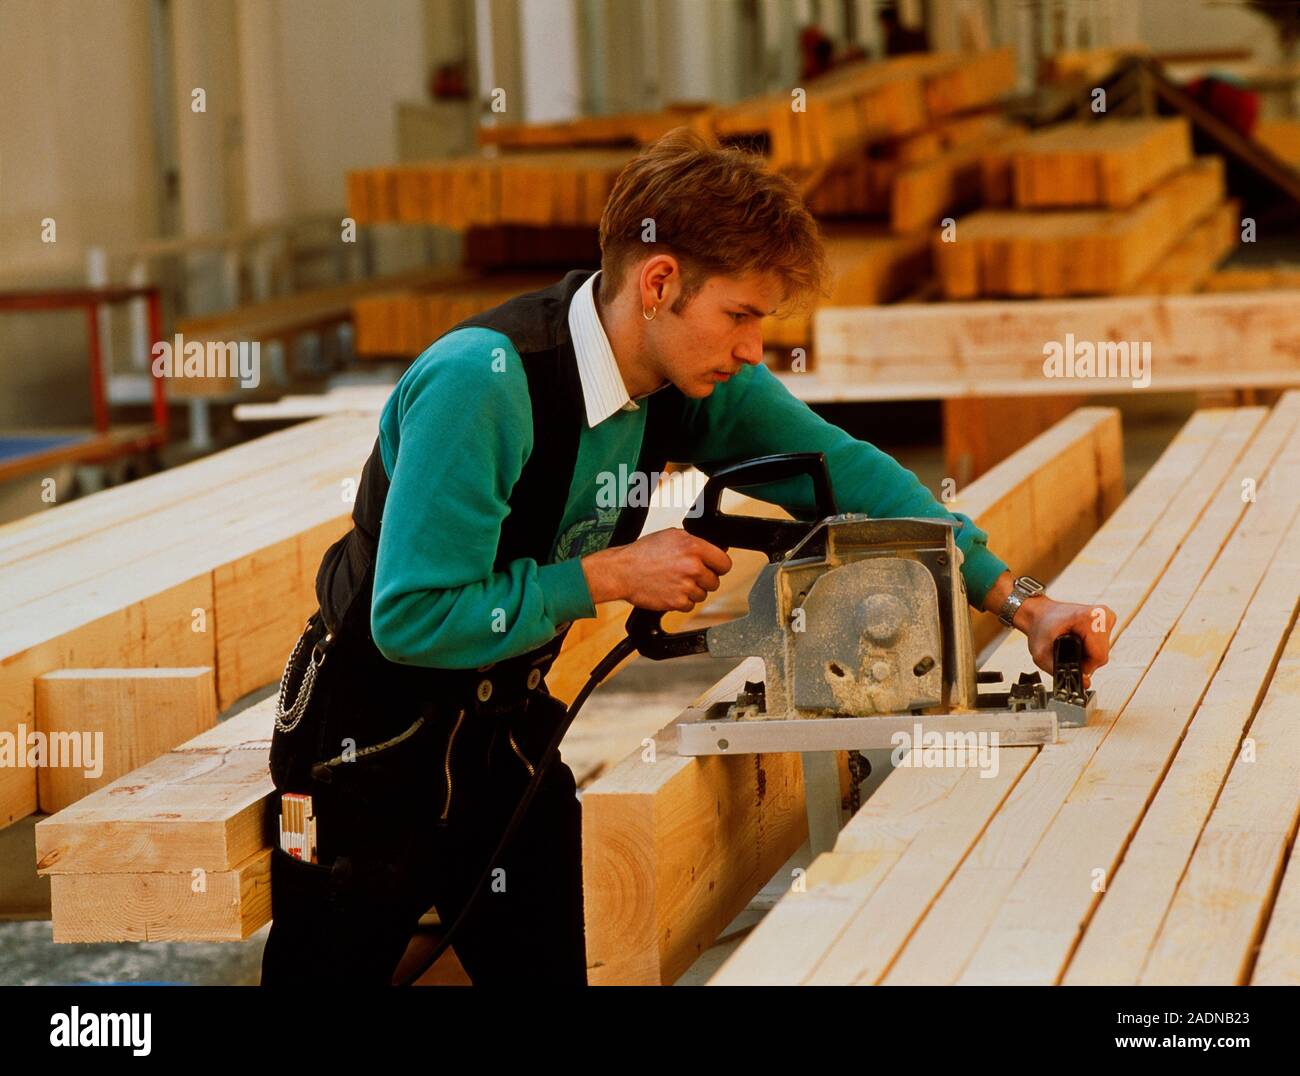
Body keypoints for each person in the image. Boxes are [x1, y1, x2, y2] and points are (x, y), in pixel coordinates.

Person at [260, 127, 1116, 986]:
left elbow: (848, 473)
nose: (752, 349)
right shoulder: (484, 382)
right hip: (363, 746)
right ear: (660, 282)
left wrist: (1023, 602)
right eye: (740, 316)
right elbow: (411, 617)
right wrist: (609, 575)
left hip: (502, 735)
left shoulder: (684, 382)